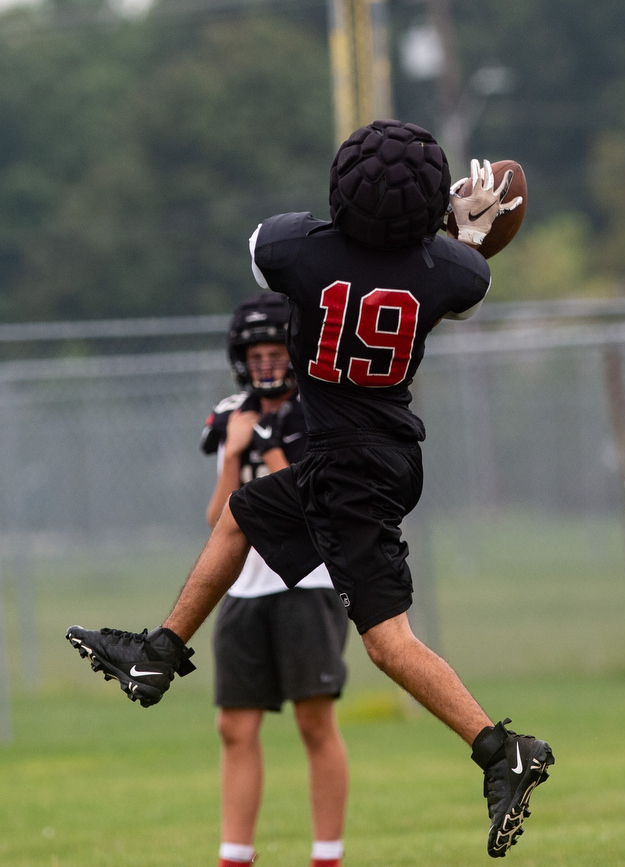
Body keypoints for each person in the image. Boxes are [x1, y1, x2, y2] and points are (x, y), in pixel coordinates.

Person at [66, 120, 553, 859]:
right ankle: (157, 651)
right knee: (241, 515)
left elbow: (277, 251)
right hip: (373, 456)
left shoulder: (296, 249)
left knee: (389, 644)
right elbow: (456, 278)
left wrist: (433, 226)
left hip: (352, 469)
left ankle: (501, 749)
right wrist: (464, 231)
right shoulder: (454, 271)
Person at [201, 293, 350, 867]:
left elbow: (310, 507)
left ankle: (326, 855)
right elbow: (220, 521)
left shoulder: (317, 413)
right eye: (255, 353)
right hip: (243, 589)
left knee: (315, 721)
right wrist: (239, 452)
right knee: (233, 727)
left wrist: (272, 444)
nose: (265, 363)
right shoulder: (234, 412)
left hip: (306, 584)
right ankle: (235, 855)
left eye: (274, 351)